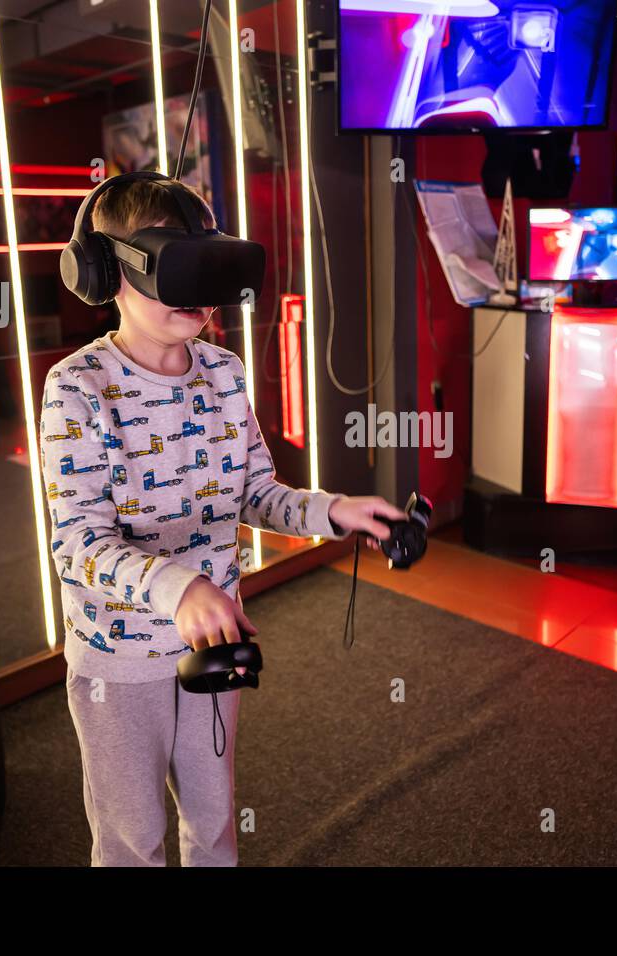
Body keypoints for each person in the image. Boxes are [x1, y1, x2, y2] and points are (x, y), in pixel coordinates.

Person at [39, 175, 405, 866]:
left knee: (212, 823)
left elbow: (255, 492)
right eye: (173, 265)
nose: (198, 290)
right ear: (106, 270)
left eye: (208, 262)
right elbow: (77, 543)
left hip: (213, 645)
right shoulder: (77, 389)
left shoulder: (226, 372)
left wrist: (333, 510)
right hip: (117, 667)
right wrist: (178, 587)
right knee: (131, 839)